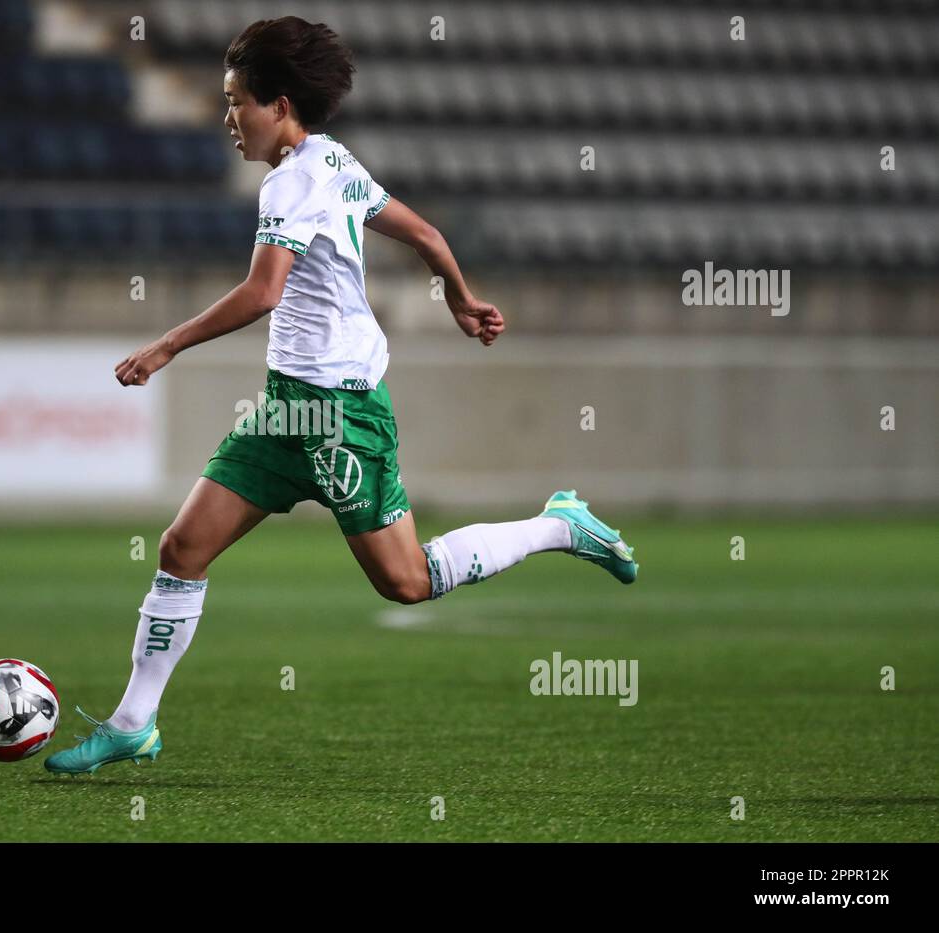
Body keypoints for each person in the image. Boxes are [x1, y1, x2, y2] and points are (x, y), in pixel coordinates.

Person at [44, 16, 636, 776]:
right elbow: (426, 233)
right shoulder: (332, 159)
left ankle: (558, 525)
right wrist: (460, 297)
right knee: (181, 549)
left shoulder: (292, 180)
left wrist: (166, 345)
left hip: (341, 415)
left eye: (236, 102)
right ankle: (133, 723)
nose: (228, 118)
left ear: (280, 105)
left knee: (406, 581)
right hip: (286, 408)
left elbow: (263, 292)